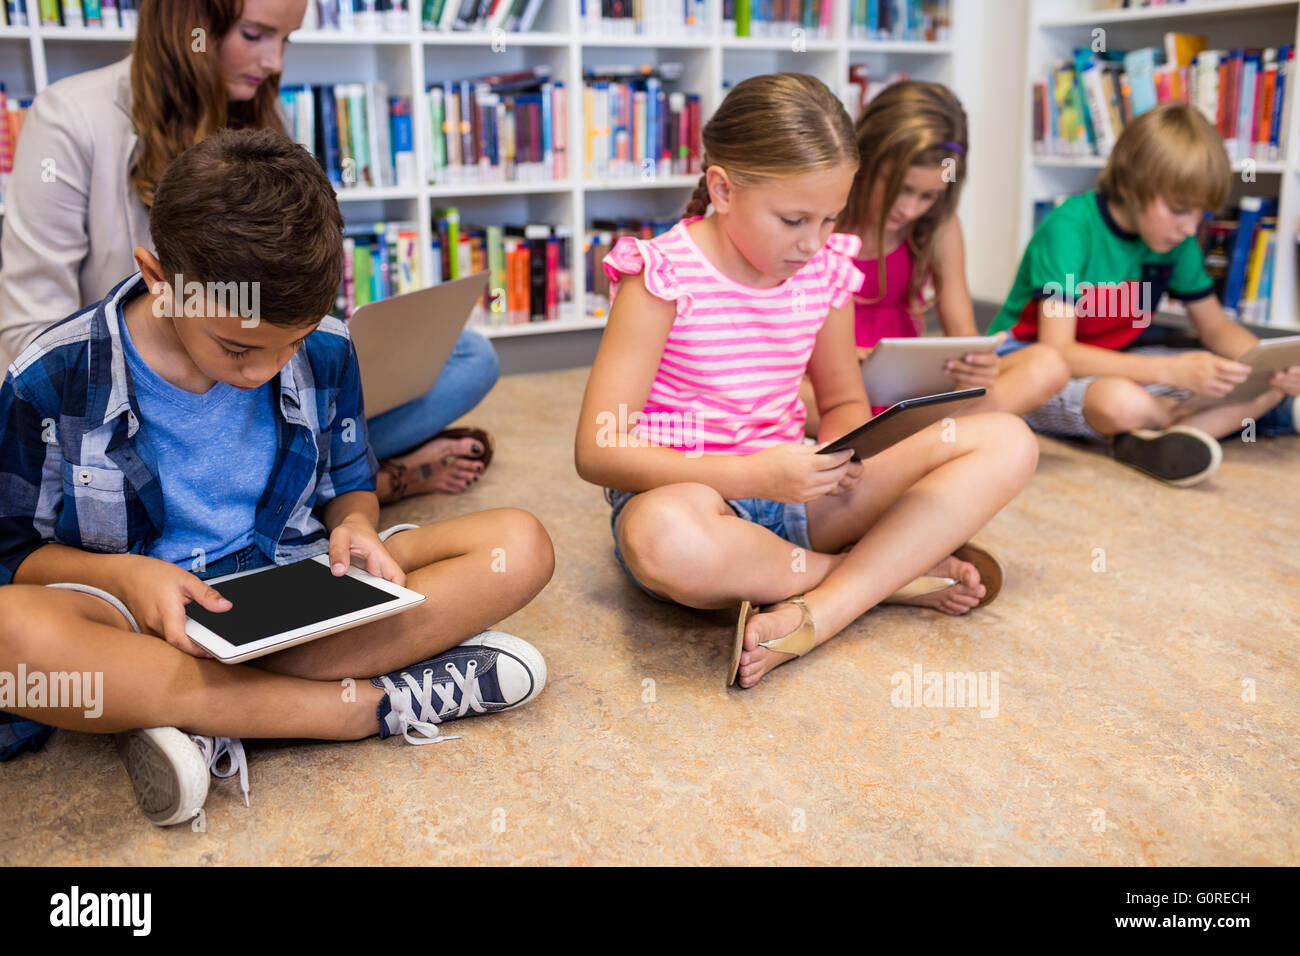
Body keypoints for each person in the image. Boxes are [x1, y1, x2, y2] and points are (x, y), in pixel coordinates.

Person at [0, 129, 555, 826]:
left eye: (287, 343)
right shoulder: (49, 378)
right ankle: (363, 709)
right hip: (144, 620)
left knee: (521, 542)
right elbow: (16, 559)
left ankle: (184, 710)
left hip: (294, 581)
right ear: (157, 278)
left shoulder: (325, 347)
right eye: (236, 347)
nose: (265, 370)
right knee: (8, 635)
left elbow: (350, 481)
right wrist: (128, 579)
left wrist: (355, 526)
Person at [574, 74, 1038, 690]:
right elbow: (598, 450)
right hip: (695, 494)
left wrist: (843, 452)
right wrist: (757, 475)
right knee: (663, 539)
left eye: (829, 219)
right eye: (794, 219)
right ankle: (874, 576)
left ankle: (826, 607)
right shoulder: (659, 275)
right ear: (723, 188)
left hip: (801, 491)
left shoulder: (824, 269)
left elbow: (843, 398)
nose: (814, 242)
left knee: (1007, 439)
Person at [0, 0, 494, 500]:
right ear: (187, 27)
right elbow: (29, 336)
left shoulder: (262, 123)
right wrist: (196, 364)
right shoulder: (71, 118)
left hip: (259, 381)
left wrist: (295, 344)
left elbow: (285, 291)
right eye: (255, 35)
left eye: (286, 40)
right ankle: (345, 482)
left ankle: (323, 476)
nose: (275, 63)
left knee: (471, 356)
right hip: (144, 398)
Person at [988, 101, 1300, 486]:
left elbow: (1216, 328)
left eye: (1200, 214)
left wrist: (1269, 368)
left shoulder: (1178, 241)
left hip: (1118, 360)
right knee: (1121, 402)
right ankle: (1224, 417)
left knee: (1226, 376)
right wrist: (1172, 373)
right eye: (1178, 209)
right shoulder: (1070, 228)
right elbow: (1059, 353)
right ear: (1129, 186)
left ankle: (1161, 435)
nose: (1189, 228)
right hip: (1030, 364)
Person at [801, 80, 1068, 434]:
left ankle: (902, 438)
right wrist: (840, 359)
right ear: (865, 160)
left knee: (1048, 365)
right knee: (783, 401)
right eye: (901, 189)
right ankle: (920, 440)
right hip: (824, 385)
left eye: (928, 196)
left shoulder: (940, 227)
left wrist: (978, 367)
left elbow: (963, 335)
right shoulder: (824, 216)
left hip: (907, 391)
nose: (910, 208)